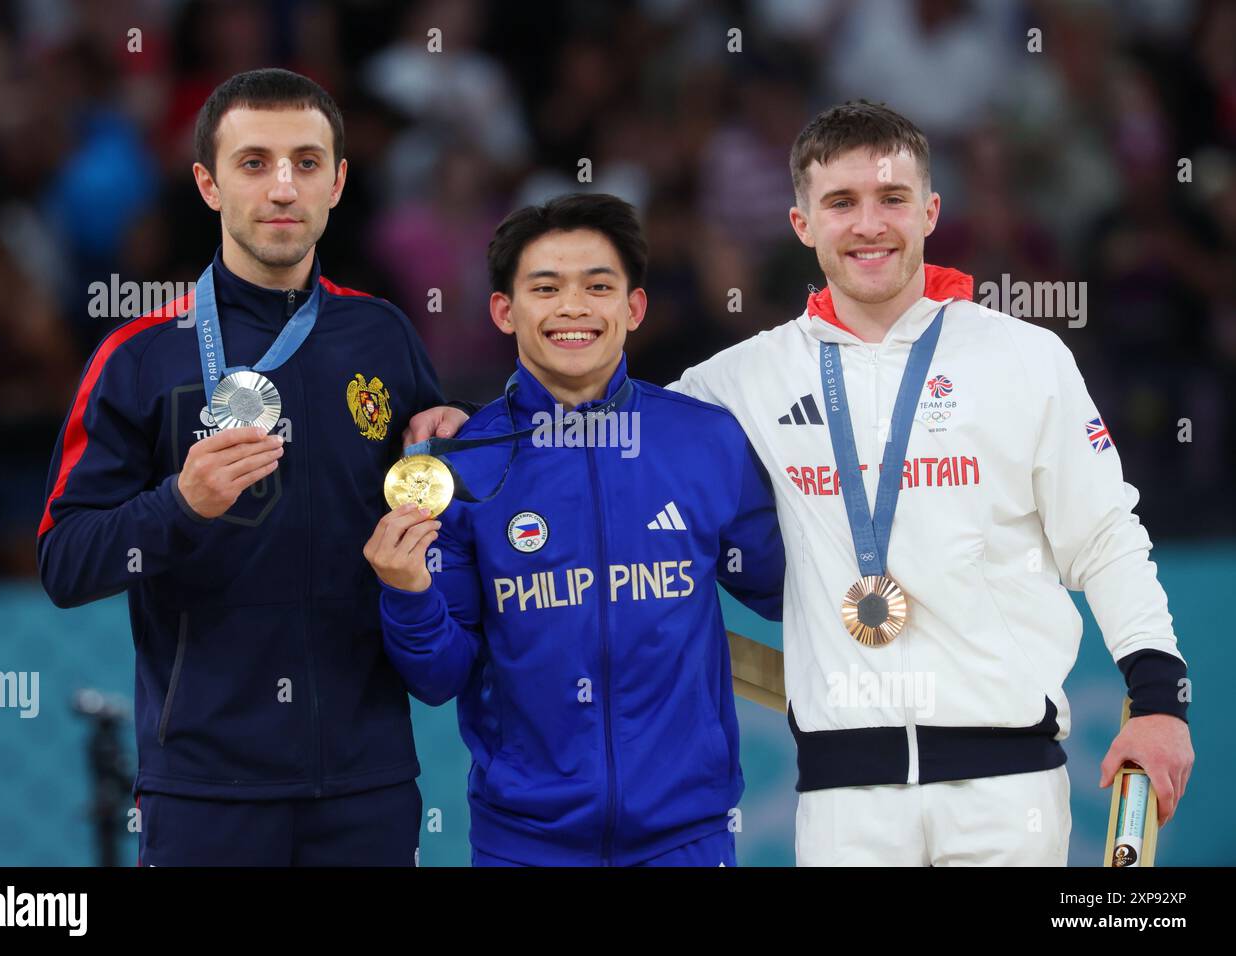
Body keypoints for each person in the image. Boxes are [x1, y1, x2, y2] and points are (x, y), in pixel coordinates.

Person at [410, 102, 1195, 866]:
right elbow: (594, 411)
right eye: (841, 202)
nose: (868, 224)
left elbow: (1105, 536)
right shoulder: (738, 383)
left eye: (891, 199)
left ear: (930, 211)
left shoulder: (1026, 358)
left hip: (1009, 783)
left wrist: (1158, 698)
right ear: (802, 223)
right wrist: (479, 427)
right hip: (844, 800)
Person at [37, 68, 458, 866]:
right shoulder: (136, 357)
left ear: (337, 182)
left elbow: (430, 505)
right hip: (205, 788)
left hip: (365, 778)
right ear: (208, 183)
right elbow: (64, 563)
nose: (283, 187)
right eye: (254, 162)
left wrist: (454, 452)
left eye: (306, 162)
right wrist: (179, 504)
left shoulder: (383, 337)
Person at [363, 194, 785, 866]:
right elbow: (439, 676)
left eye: (598, 286)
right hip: (524, 842)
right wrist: (406, 594)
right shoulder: (462, 466)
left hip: (689, 837)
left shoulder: (705, 440)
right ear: (505, 310)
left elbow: (785, 590)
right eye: (545, 287)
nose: (573, 308)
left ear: (634, 307)